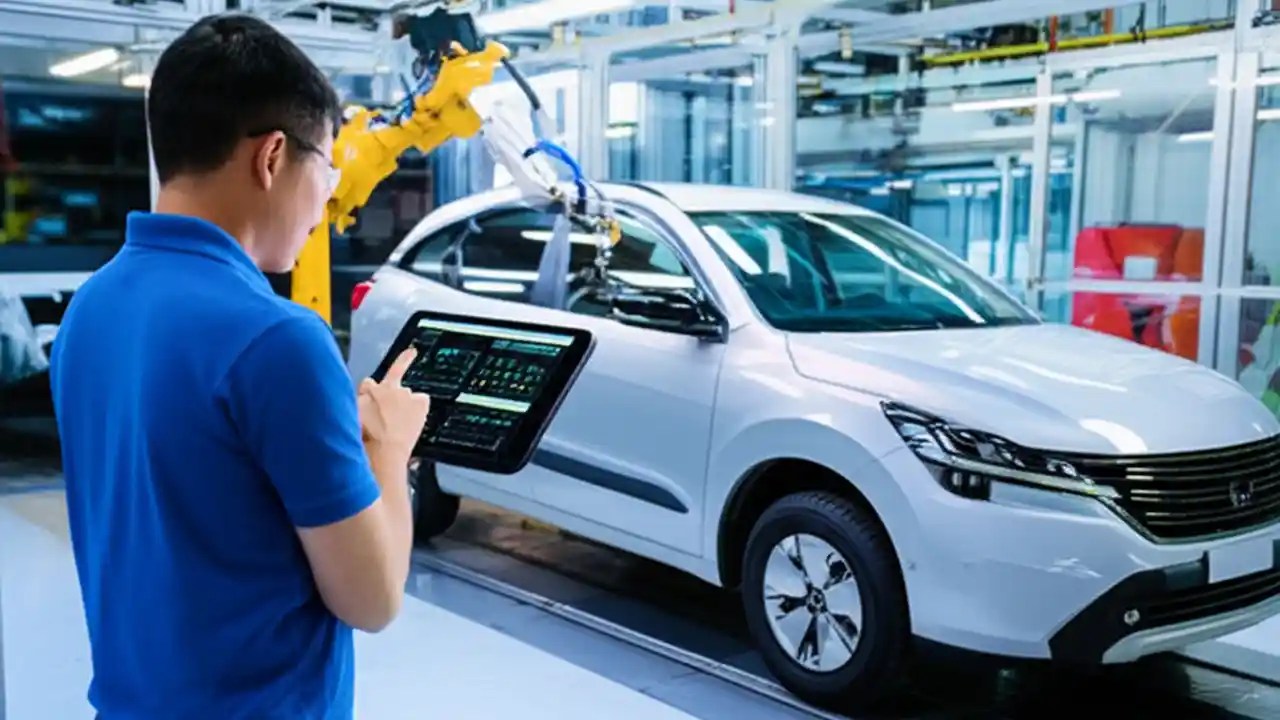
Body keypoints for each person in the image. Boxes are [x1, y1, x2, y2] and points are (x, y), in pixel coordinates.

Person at [48, 13, 429, 719]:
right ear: (273, 156)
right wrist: (388, 453)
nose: (328, 199)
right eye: (328, 166)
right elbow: (371, 599)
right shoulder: (279, 341)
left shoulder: (91, 310)